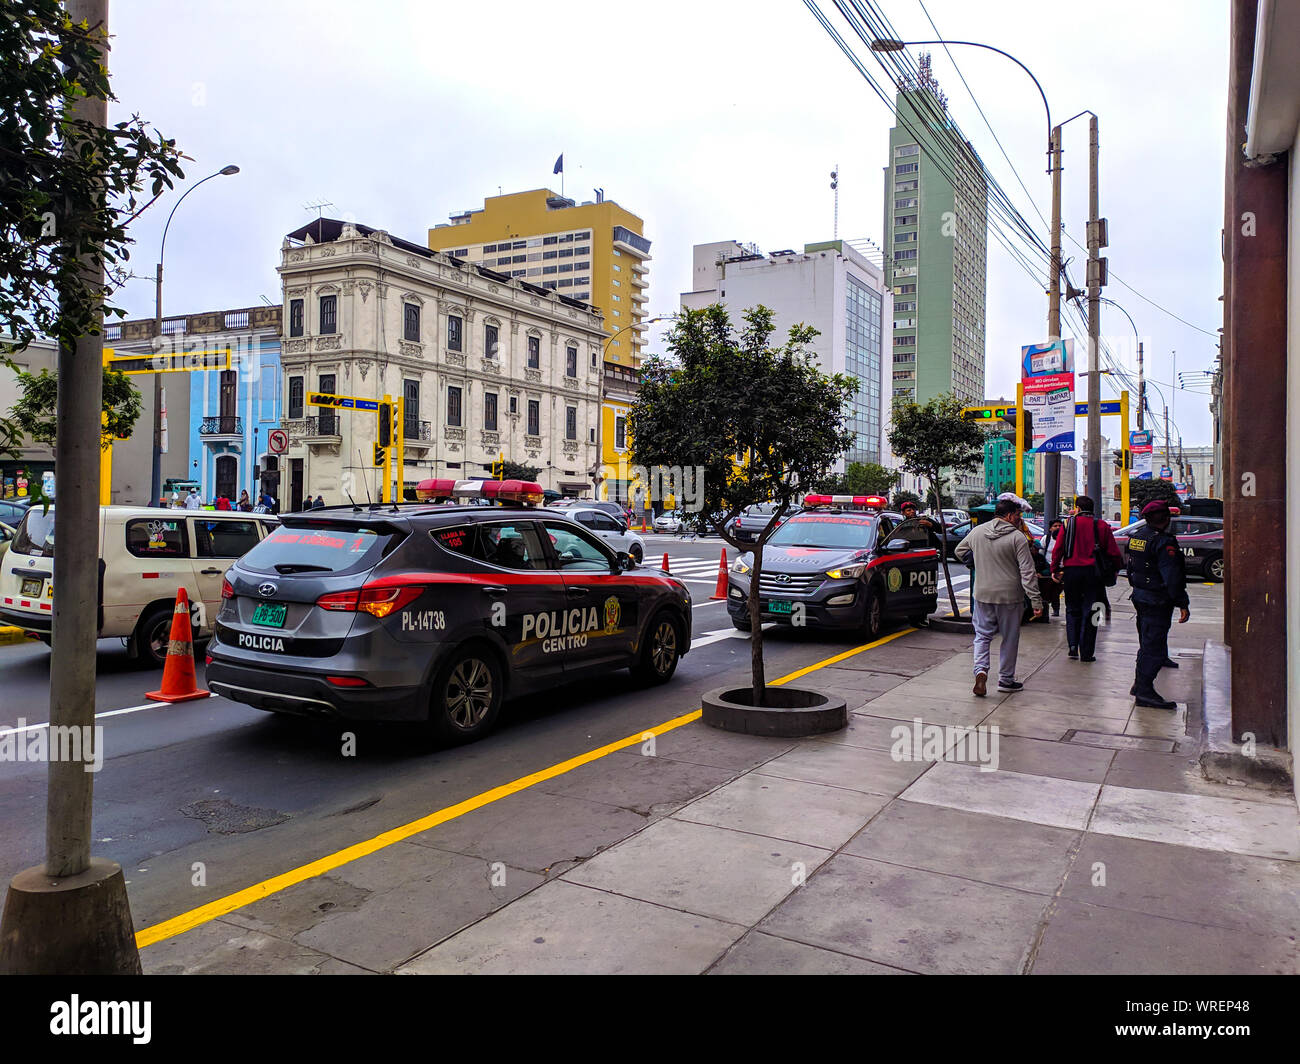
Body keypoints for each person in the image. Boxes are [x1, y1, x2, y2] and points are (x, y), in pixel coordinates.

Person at [954, 496, 1043, 696]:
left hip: (982, 593)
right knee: (1009, 638)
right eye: (1019, 515)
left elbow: (959, 551)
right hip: (1010, 597)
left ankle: (981, 670)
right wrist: (1036, 601)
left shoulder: (977, 531)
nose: (1021, 519)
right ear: (1010, 515)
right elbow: (1027, 572)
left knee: (982, 636)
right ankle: (1005, 680)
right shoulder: (1017, 538)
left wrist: (975, 561)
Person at [1125, 500, 1190, 709]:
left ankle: (1139, 684)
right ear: (1165, 519)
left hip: (1140, 595)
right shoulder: (1163, 542)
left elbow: (1131, 566)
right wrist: (1182, 602)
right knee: (1153, 646)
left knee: (1147, 642)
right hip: (1156, 598)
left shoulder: (1138, 536)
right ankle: (1144, 691)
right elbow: (1172, 576)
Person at [1051, 495, 1123, 662]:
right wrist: (1116, 569)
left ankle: (1072, 646)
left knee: (1072, 609)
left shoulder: (1067, 524)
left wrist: (1055, 569)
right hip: (1094, 574)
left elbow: (1058, 549)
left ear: (1077, 508)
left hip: (1072, 572)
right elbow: (1113, 552)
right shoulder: (1101, 526)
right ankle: (1088, 651)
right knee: (1094, 611)